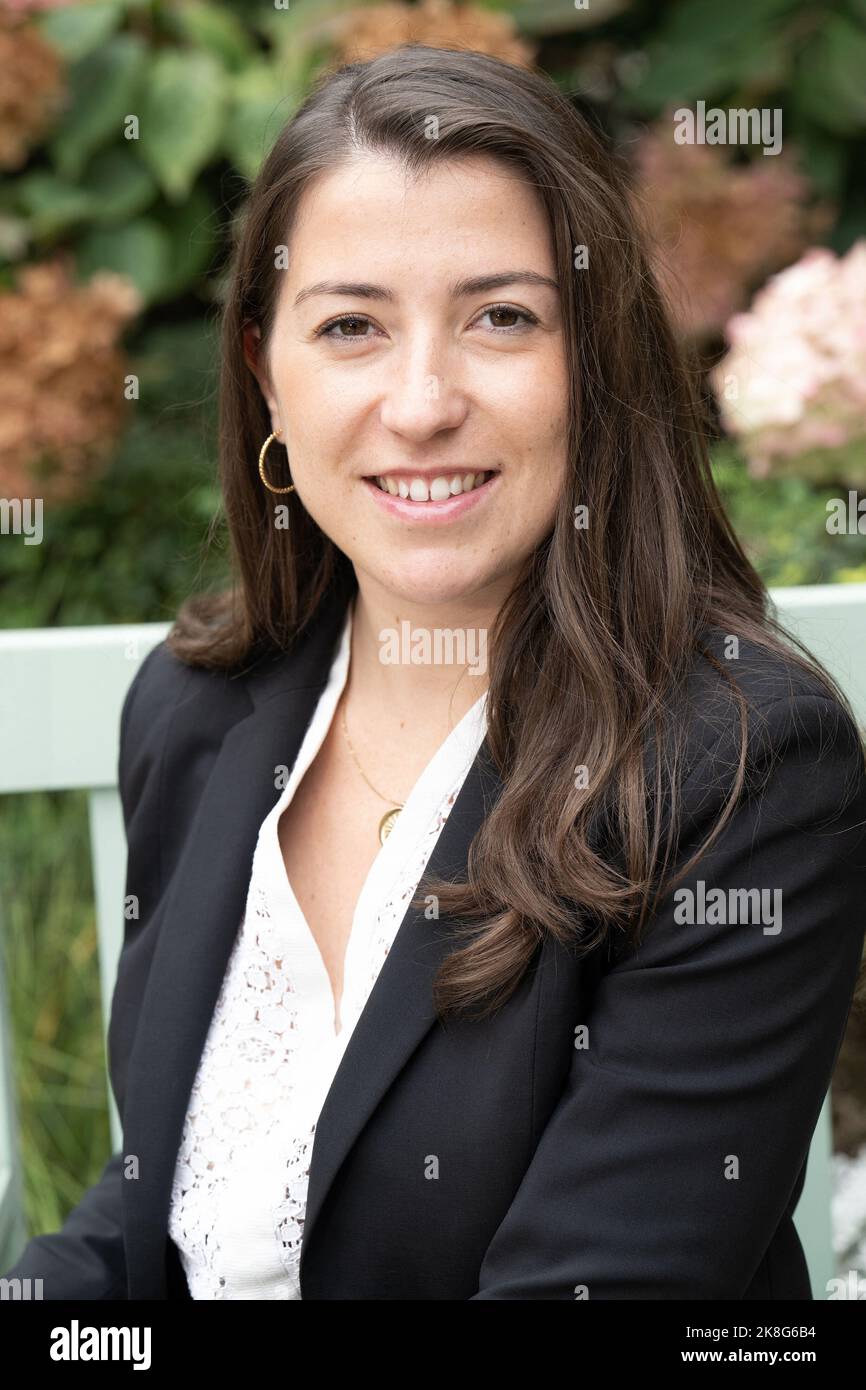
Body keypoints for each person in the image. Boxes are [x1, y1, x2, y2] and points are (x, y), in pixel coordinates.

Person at [5, 43, 866, 1301]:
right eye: (350, 326)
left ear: (599, 358)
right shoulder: (197, 713)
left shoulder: (737, 772)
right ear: (264, 372)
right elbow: (177, 1196)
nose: (420, 402)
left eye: (500, 318)